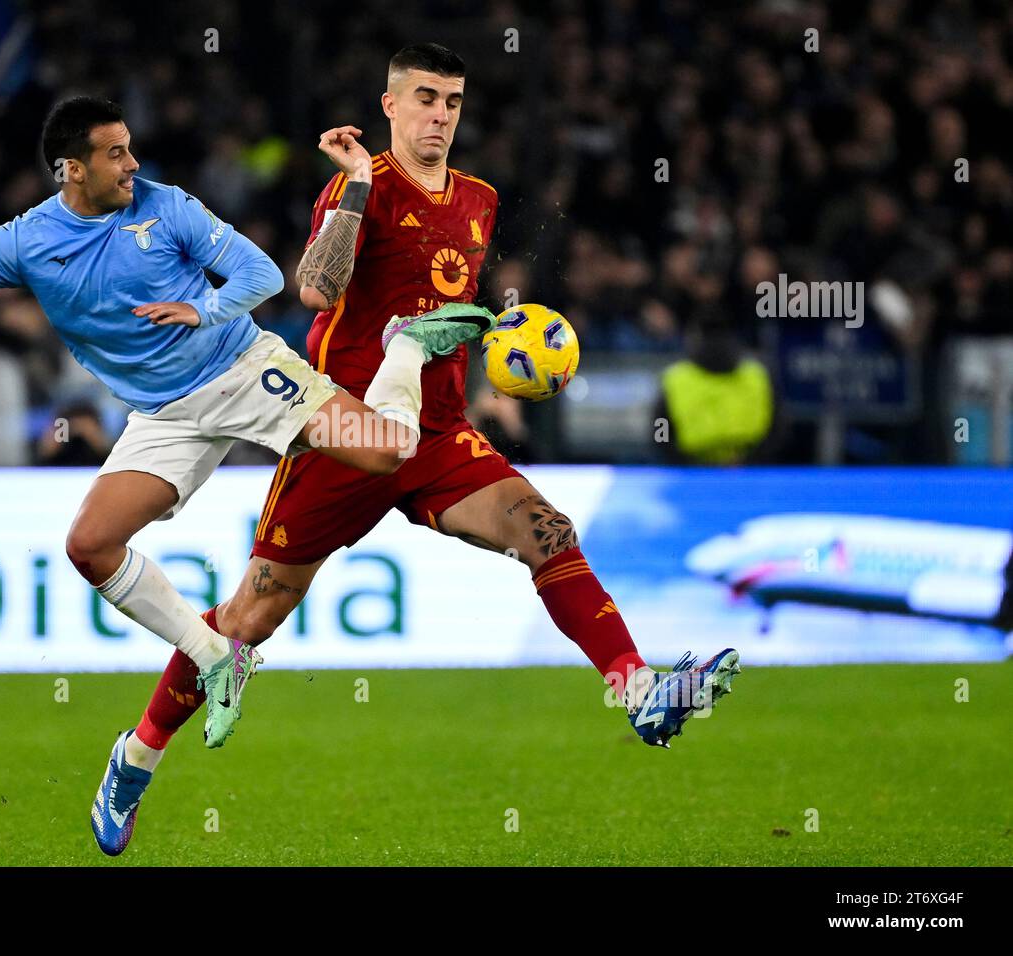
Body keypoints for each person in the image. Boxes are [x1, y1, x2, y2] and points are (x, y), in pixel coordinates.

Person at [109, 44, 742, 852]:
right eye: (426, 99)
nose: (440, 114)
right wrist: (362, 188)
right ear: (391, 106)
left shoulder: (478, 199)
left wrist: (483, 382)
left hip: (437, 434)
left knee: (546, 530)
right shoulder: (355, 186)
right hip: (346, 434)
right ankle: (135, 757)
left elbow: (440, 312)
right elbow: (318, 290)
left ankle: (638, 687)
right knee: (244, 621)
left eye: (452, 101)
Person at [0, 95, 494, 856]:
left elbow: (261, 274)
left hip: (244, 367)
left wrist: (205, 311)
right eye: (115, 154)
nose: (133, 165)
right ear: (73, 168)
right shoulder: (28, 240)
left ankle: (407, 345)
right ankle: (213, 656)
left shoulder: (169, 208)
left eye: (132, 149)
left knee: (390, 450)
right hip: (164, 417)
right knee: (89, 544)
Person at [653, 309, 776, 465]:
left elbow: (660, 426)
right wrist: (752, 461)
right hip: (750, 469)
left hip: (692, 470)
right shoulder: (757, 373)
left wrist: (677, 460)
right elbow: (777, 427)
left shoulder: (676, 378)